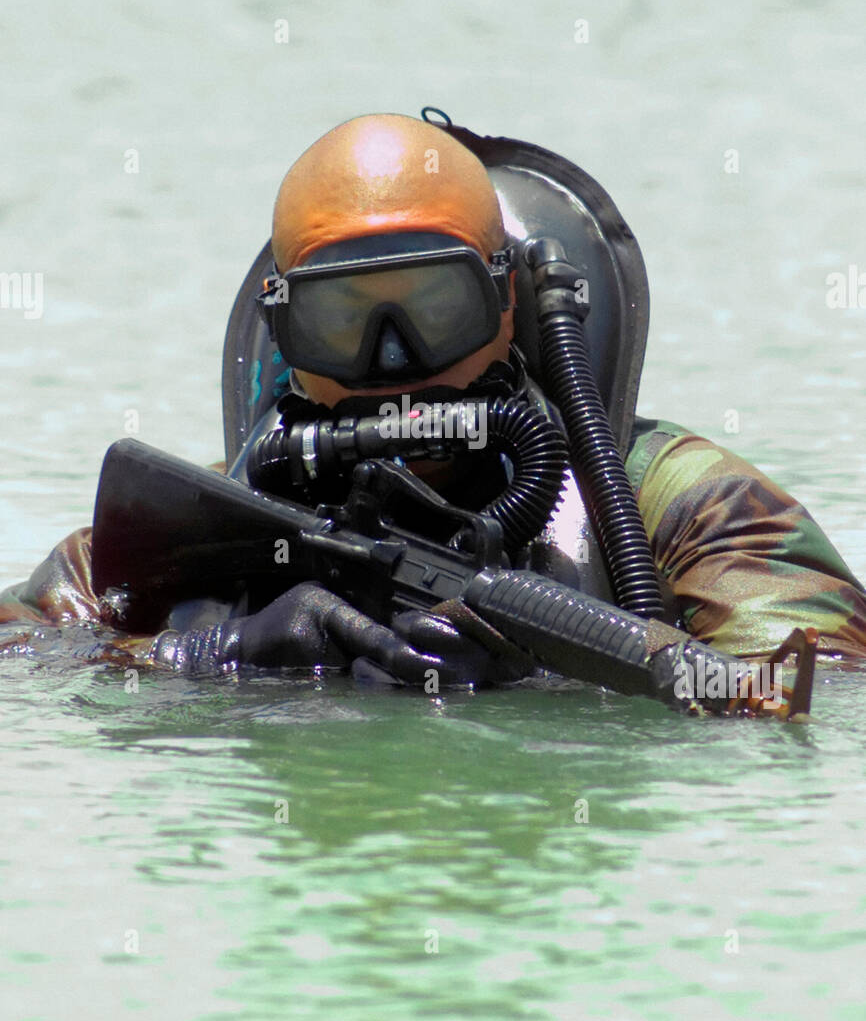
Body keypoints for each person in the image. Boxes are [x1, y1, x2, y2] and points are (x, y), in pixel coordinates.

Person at [3, 113, 866, 686]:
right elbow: (26, 667)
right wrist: (208, 654)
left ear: (505, 307)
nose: (394, 363)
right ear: (285, 336)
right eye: (343, 318)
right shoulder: (171, 535)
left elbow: (808, 695)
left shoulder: (670, 505)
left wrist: (558, 675)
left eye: (435, 309)